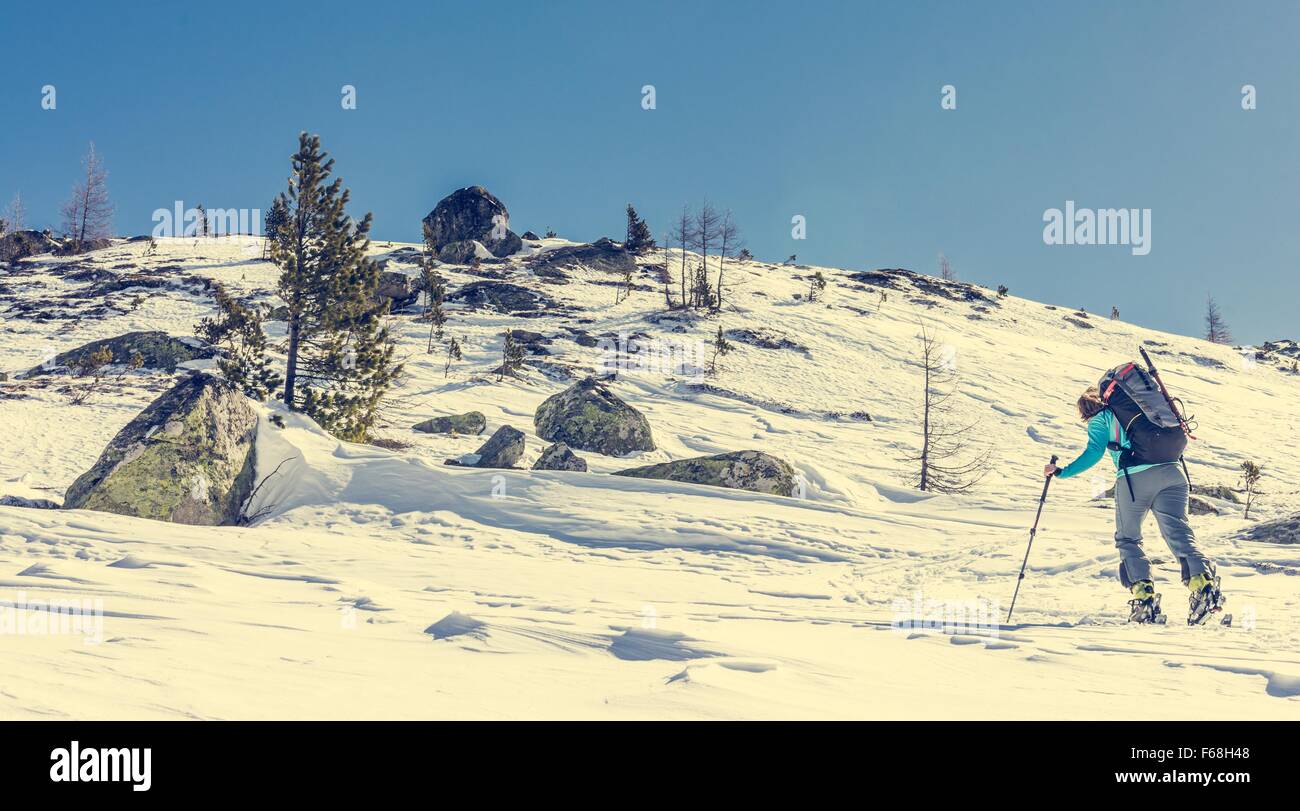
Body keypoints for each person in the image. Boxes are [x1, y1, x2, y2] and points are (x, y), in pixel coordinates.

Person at [1045, 386, 1224, 624]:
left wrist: (1062, 472)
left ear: (1084, 411)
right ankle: (1203, 588)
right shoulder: (1145, 411)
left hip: (1135, 478)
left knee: (1129, 539)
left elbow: (1094, 453)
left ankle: (1144, 601)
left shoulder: (1101, 419)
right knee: (1180, 534)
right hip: (1174, 472)